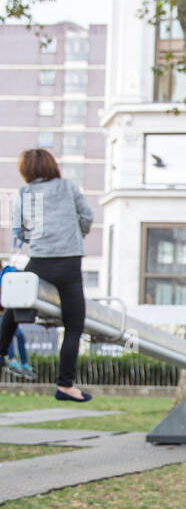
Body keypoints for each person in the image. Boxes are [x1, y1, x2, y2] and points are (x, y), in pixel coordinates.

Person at [0, 148, 93, 403]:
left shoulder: (25, 193)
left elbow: (19, 230)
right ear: (51, 165)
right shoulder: (68, 187)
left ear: (26, 171)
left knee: (12, 308)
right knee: (74, 325)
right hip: (70, 263)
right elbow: (87, 216)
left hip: (40, 261)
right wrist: (76, 234)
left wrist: (36, 237)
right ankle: (65, 386)